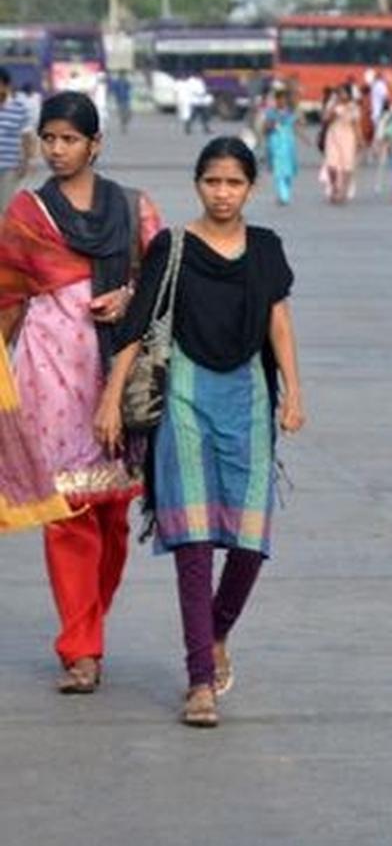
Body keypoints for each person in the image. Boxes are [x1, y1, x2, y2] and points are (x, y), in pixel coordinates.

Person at [96, 136, 304, 728]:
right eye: (212, 181)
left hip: (249, 400)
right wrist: (111, 399)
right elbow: (137, 326)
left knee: (249, 541)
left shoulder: (266, 248)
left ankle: (214, 634)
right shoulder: (173, 247)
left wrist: (295, 391)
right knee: (192, 541)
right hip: (185, 398)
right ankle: (199, 681)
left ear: (250, 189)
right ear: (197, 185)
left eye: (234, 183)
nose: (222, 193)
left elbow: (279, 322)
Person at [0, 91, 162, 693]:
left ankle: (89, 622)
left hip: (115, 375)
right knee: (69, 514)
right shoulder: (27, 212)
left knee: (113, 517)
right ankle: (81, 648)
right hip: (50, 378)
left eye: (69, 139)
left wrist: (128, 296)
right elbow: (7, 297)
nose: (56, 150)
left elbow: (163, 278)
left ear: (95, 144)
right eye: (49, 138)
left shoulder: (134, 208)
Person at [319, 83, 362, 205]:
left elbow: (356, 125)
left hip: (348, 137)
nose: (341, 95)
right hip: (333, 136)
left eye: (343, 92)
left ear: (349, 94)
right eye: (339, 93)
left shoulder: (353, 107)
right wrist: (335, 108)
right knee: (332, 165)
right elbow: (325, 120)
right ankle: (334, 187)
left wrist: (360, 140)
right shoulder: (333, 105)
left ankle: (343, 191)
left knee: (347, 166)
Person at [0, 68, 35, 211]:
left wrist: (26, 162)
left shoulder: (20, 109)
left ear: (6, 86)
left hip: (9, 167)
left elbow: (26, 137)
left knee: (5, 206)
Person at [263, 88, 304, 206]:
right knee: (278, 170)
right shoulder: (270, 113)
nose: (281, 101)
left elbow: (298, 125)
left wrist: (304, 138)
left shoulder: (290, 113)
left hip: (288, 145)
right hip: (275, 144)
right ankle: (283, 196)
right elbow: (265, 128)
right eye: (279, 99)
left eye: (284, 99)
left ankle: (285, 193)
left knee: (288, 172)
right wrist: (271, 125)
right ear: (276, 100)